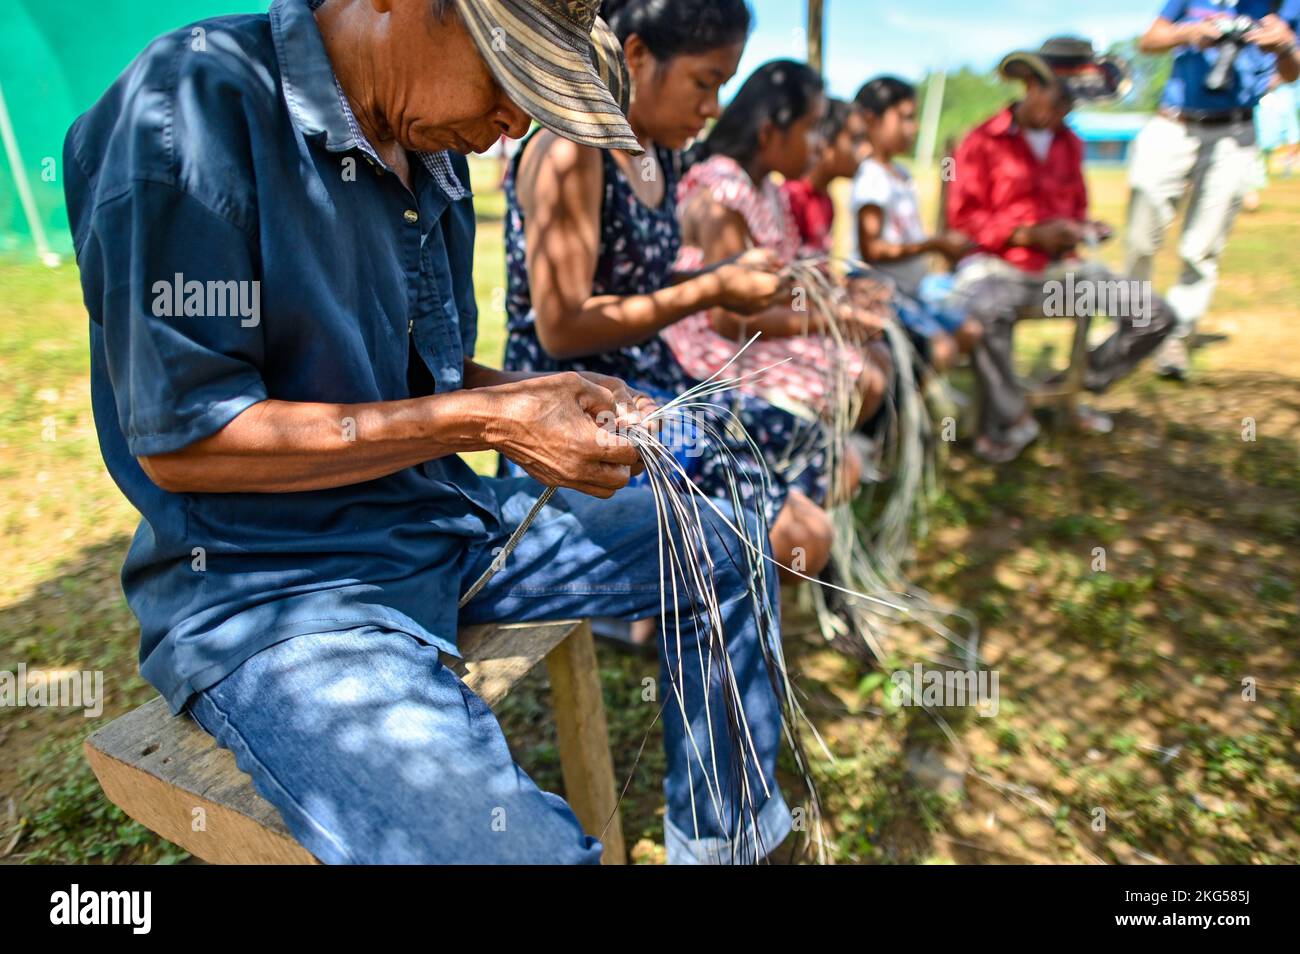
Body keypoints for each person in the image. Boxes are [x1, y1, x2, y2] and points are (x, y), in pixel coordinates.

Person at [64, 0, 793, 864]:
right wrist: (489, 419)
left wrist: (539, 393)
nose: (516, 121)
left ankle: (729, 843)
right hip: (280, 590)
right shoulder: (192, 109)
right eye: (507, 77)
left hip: (440, 524)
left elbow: (419, 379)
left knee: (728, 546)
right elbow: (187, 440)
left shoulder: (428, 144)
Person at [502, 0, 836, 588]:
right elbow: (562, 327)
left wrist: (723, 279)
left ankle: (678, 594)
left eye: (722, 88)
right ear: (637, 55)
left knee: (813, 442)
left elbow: (642, 287)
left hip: (654, 389)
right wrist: (710, 288)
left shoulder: (660, 153)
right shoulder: (573, 148)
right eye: (704, 84)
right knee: (789, 531)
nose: (712, 109)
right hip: (587, 406)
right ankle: (657, 596)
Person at [948, 37, 1175, 463]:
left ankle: (1074, 383)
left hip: (1061, 278)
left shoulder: (1069, 143)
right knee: (980, 311)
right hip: (1001, 271)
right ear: (1031, 85)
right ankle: (1012, 416)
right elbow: (963, 221)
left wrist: (1082, 229)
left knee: (1154, 314)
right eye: (1058, 99)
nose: (1062, 112)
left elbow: (1076, 208)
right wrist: (1025, 235)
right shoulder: (982, 141)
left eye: (1071, 105)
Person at [666, 59, 891, 425]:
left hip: (748, 332)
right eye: (813, 128)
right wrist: (827, 319)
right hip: (713, 346)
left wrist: (839, 303)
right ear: (770, 133)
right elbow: (729, 318)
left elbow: (781, 281)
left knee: (870, 357)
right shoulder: (725, 193)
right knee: (856, 376)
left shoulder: (768, 190)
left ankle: (831, 462)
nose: (820, 144)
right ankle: (811, 465)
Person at [1126, 1, 1300, 379]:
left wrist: (1285, 46)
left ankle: (1175, 333)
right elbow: (1148, 40)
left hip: (1234, 131)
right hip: (1173, 121)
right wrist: (1189, 33)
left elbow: (1291, 73)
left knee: (1202, 245)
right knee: (1142, 230)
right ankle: (1132, 322)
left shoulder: (1286, 6)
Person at [852, 75, 981, 373]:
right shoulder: (872, 177)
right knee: (942, 348)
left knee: (969, 330)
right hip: (884, 291)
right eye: (905, 118)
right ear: (872, 120)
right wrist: (934, 244)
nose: (914, 128)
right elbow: (872, 248)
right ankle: (908, 407)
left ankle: (916, 394)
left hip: (914, 289)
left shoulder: (900, 173)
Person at [781, 97, 871, 256]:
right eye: (855, 140)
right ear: (826, 143)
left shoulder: (826, 201)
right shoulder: (792, 197)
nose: (867, 150)